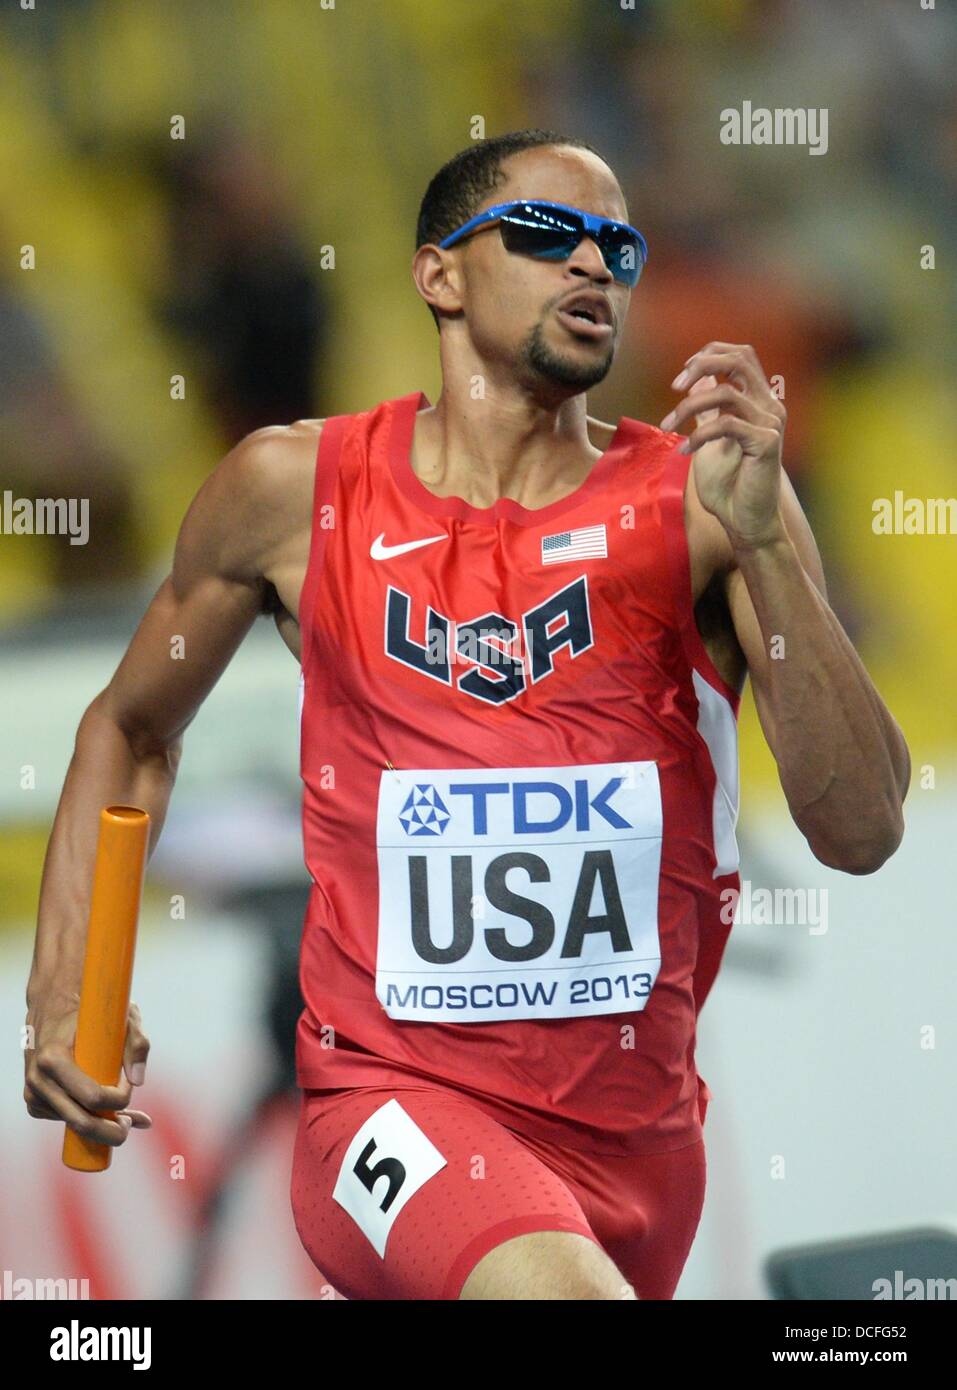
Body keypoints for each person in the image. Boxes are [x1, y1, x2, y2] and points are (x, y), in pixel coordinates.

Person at [23, 129, 910, 1301]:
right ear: (437, 272)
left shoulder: (705, 503)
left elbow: (861, 829)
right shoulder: (296, 492)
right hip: (388, 1108)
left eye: (618, 247)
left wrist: (766, 542)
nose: (592, 266)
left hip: (639, 1149)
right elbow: (128, 729)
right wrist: (68, 986)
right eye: (548, 235)